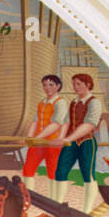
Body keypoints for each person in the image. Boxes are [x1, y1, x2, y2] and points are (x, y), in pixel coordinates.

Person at [54, 73, 104, 214]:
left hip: (87, 142)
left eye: (79, 84)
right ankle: (58, 207)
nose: (75, 87)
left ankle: (87, 211)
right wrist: (61, 138)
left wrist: (68, 139)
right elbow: (67, 122)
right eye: (74, 84)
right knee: (61, 172)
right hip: (71, 142)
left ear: (88, 84)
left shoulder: (94, 102)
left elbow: (89, 124)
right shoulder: (74, 102)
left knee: (87, 174)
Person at [22, 74, 69, 202]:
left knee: (53, 172)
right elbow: (35, 121)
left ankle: (55, 203)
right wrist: (29, 137)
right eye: (44, 85)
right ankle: (27, 201)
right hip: (38, 143)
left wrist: (37, 137)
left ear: (58, 86)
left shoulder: (61, 103)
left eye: (51, 85)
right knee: (28, 169)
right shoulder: (42, 103)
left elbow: (56, 123)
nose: (47, 88)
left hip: (53, 142)